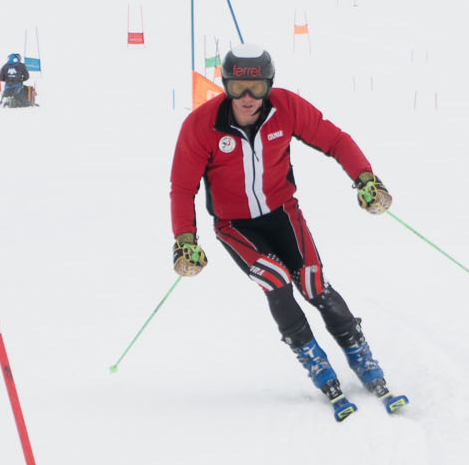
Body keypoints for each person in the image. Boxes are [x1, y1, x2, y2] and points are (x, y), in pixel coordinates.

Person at [168, 45, 404, 420]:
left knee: (313, 283)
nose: (247, 98)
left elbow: (335, 140)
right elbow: (182, 187)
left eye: (257, 88)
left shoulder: (286, 107)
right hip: (235, 226)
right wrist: (185, 240)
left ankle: (358, 351)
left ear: (269, 85)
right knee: (275, 278)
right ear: (225, 86)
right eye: (237, 88)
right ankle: (313, 358)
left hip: (282, 214)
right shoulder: (201, 125)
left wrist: (365, 179)